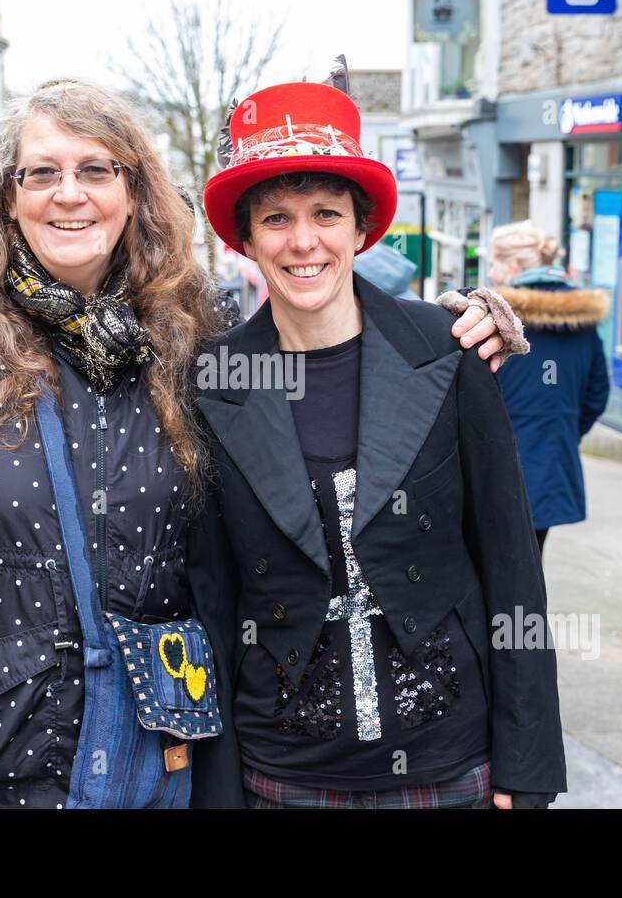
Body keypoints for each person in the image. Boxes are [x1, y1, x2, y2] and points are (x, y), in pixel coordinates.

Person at [0, 77, 523, 809]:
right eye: (43, 173)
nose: (69, 193)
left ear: (134, 190)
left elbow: (316, 354)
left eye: (95, 170)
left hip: (159, 762)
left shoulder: (190, 328)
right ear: (7, 196)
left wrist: (450, 329)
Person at [188, 82, 566, 809]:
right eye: (276, 219)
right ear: (247, 239)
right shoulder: (213, 381)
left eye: (326, 214)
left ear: (360, 230)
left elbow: (512, 563)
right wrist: (218, 789)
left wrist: (529, 758)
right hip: (283, 771)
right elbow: (213, 595)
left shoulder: (450, 351)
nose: (304, 241)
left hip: (448, 760)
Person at [479, 220, 609, 558]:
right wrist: (562, 430)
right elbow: (597, 394)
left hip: (491, 470)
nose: (491, 274)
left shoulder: (492, 320)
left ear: (513, 266)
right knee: (531, 567)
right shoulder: (582, 322)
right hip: (552, 465)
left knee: (488, 573)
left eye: (494, 263)